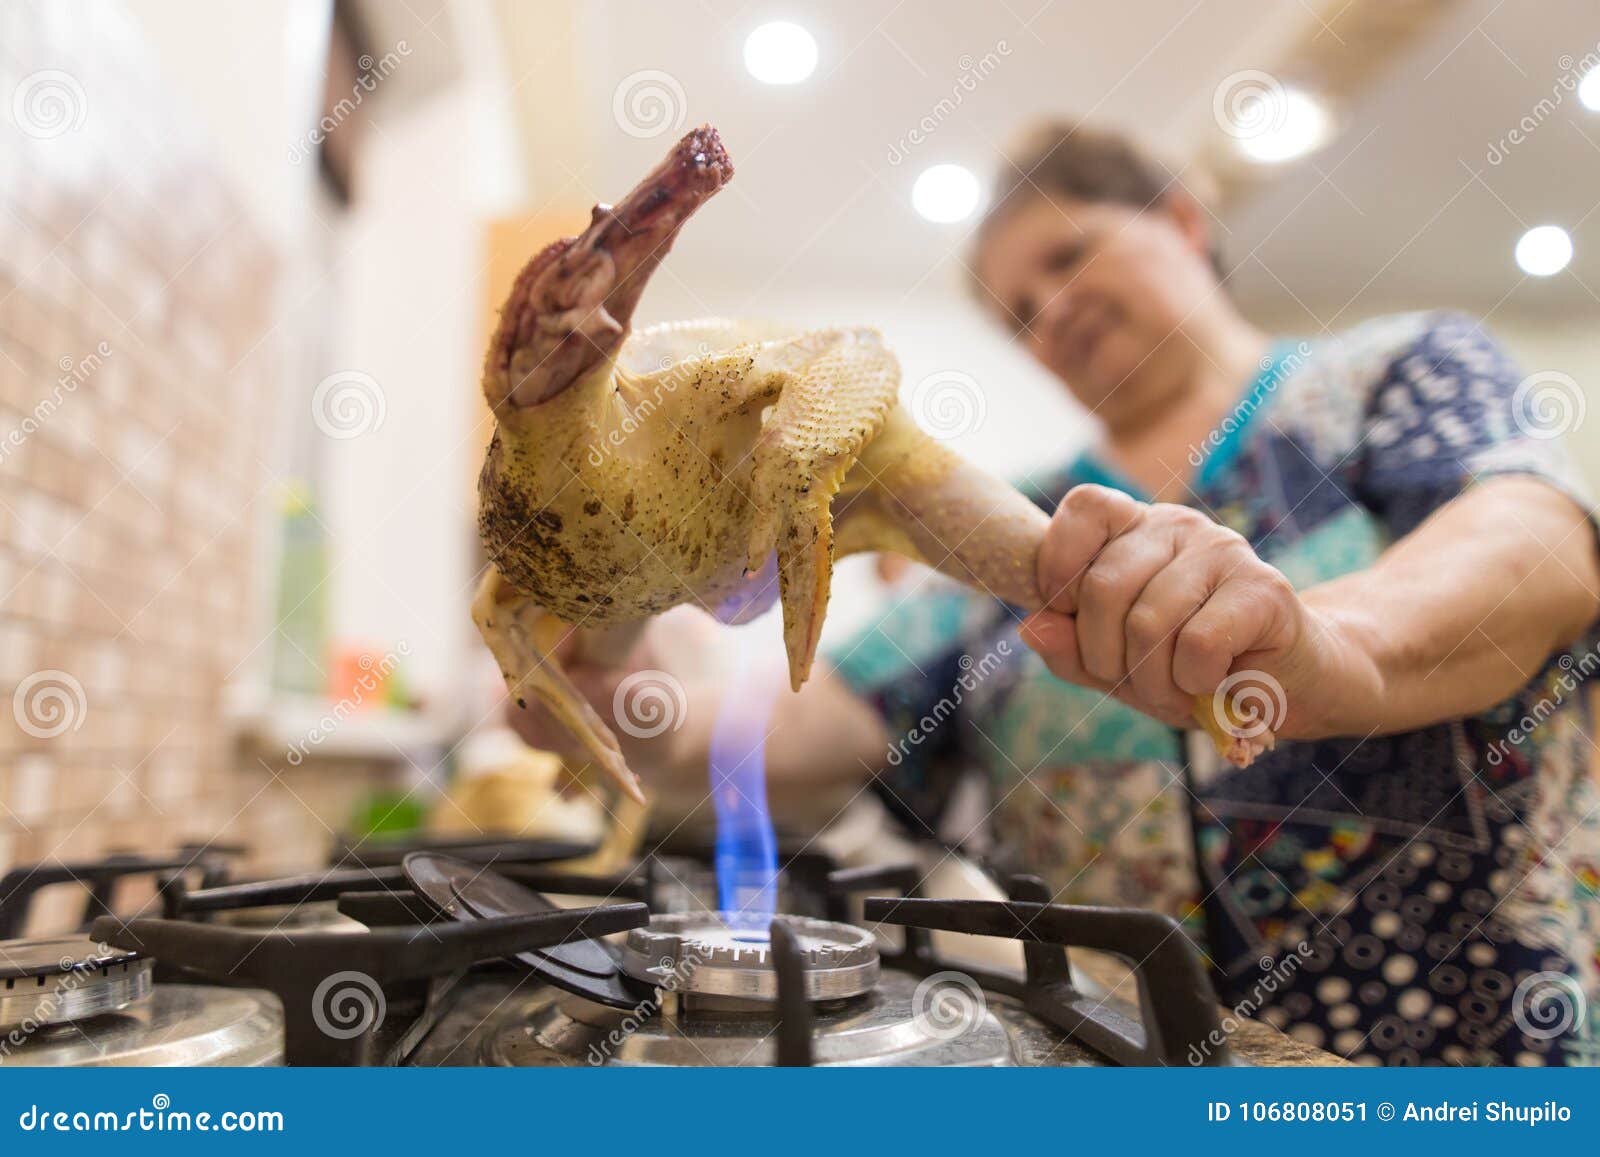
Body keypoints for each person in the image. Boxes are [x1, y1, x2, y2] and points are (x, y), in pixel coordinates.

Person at [511, 123, 1600, 1066]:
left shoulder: (1386, 377)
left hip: (1465, 1057)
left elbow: (1534, 545)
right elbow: (818, 723)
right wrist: (618, 694)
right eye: (1018, 311)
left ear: (1180, 219)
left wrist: (1327, 648)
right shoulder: (1015, 520)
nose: (1051, 313)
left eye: (1070, 256)